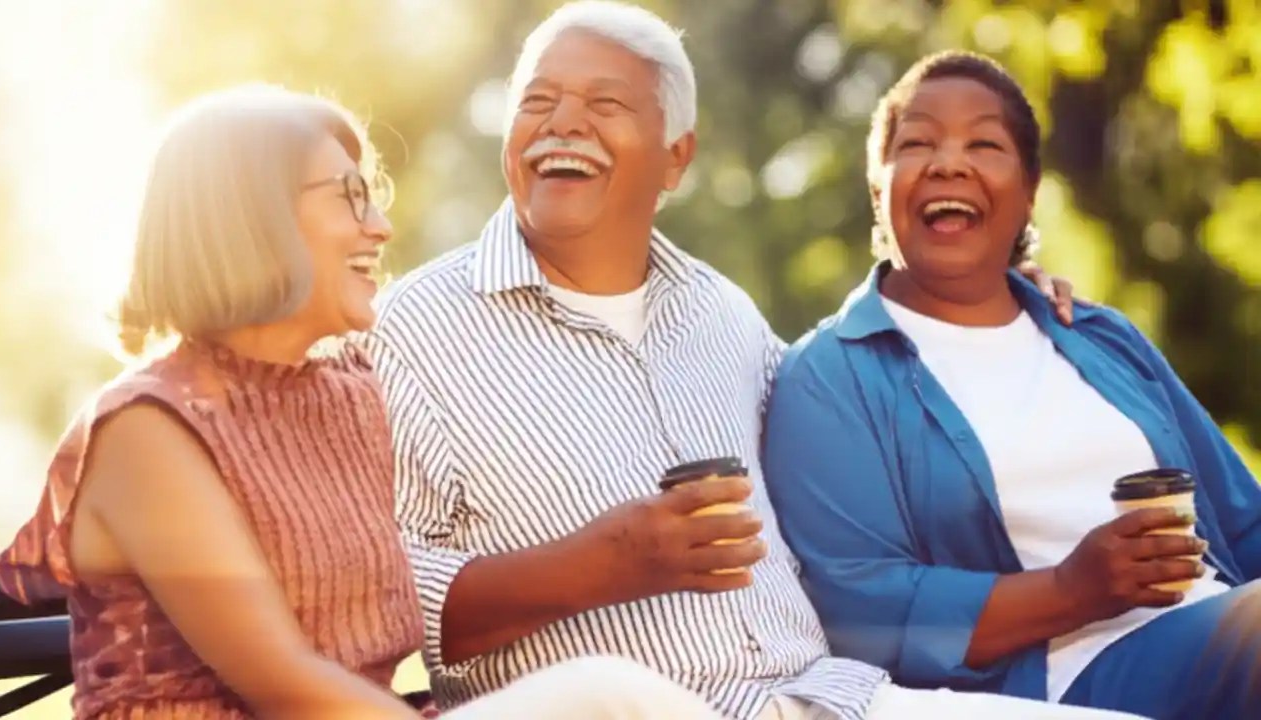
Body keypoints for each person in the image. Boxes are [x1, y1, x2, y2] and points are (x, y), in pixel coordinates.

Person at [363, 4, 1135, 720]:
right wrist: (599, 564)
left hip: (828, 697)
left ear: (676, 158)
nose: (561, 125)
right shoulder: (417, 328)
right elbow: (381, 595)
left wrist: (987, 290)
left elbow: (850, 413)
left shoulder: (722, 312)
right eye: (535, 102)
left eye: (604, 105)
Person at [0, 85, 724, 720]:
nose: (381, 227)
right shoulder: (149, 431)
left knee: (616, 689)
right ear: (249, 216)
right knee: (607, 697)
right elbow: (290, 689)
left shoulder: (349, 393)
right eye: (350, 197)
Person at [762, 50, 1261, 720]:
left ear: (1028, 190)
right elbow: (861, 611)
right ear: (879, 190)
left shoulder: (1098, 335)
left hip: (1221, 625)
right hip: (1059, 680)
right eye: (917, 143)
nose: (948, 162)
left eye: (984, 142)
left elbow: (1243, 518)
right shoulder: (829, 374)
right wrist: (1071, 590)